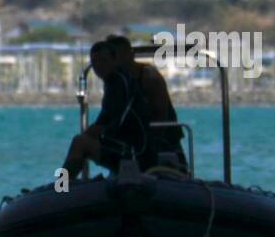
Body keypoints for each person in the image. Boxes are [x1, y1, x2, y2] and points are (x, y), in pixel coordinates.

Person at [61, 36, 187, 182]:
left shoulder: (121, 82)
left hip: (137, 150)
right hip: (130, 145)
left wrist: (97, 132)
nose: (98, 67)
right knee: (82, 141)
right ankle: (63, 185)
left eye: (103, 61)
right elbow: (108, 119)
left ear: (115, 60)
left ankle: (60, 186)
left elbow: (115, 120)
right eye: (94, 62)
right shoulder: (116, 81)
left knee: (80, 143)